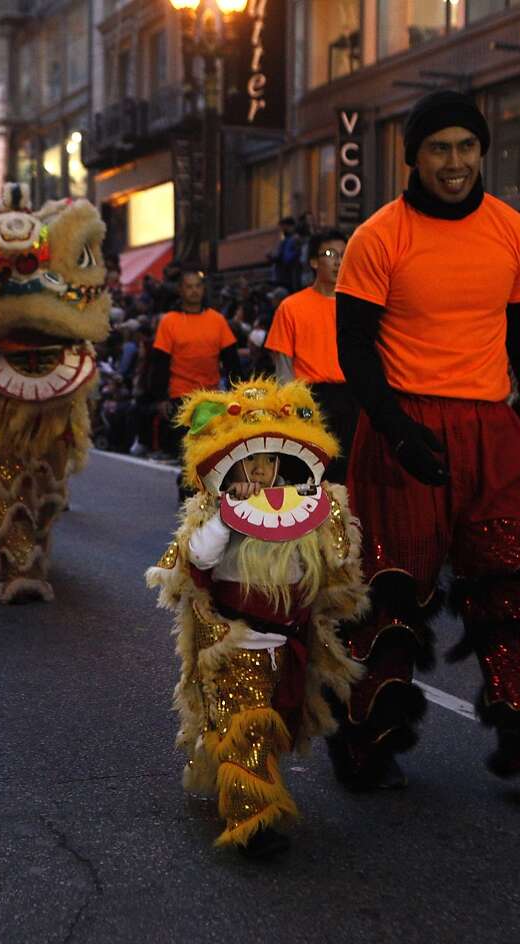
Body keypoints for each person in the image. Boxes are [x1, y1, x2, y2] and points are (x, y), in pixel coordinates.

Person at [331, 91, 520, 803]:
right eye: (438, 149)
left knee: (517, 589)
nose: (454, 163)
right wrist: (396, 429)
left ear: (482, 151)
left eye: (465, 147)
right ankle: (366, 742)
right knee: (390, 596)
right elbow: (355, 350)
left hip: (492, 429)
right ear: (414, 158)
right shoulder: (378, 236)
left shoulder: (513, 233)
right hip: (403, 431)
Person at [146, 379, 367, 859]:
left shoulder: (302, 506)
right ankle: (250, 824)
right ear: (233, 466)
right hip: (237, 638)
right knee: (248, 726)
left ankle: (244, 795)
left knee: (273, 727)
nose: (261, 471)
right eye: (250, 462)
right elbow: (197, 559)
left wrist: (329, 521)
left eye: (268, 461)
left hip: (287, 640)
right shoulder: (215, 511)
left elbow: (327, 565)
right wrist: (228, 515)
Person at [264, 229, 356, 481]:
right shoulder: (291, 307)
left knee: (346, 476)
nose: (338, 261)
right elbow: (283, 367)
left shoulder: (359, 305)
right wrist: (290, 409)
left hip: (352, 397)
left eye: (344, 255)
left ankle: (343, 521)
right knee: (307, 473)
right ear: (314, 262)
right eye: (330, 254)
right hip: (310, 400)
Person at [149, 270, 242, 493]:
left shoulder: (217, 320)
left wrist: (238, 392)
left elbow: (232, 361)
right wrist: (160, 398)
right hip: (181, 396)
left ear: (204, 289)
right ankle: (188, 495)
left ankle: (201, 491)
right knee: (188, 452)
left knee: (210, 451)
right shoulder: (169, 322)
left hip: (211, 397)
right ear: (181, 291)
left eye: (198, 286)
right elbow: (160, 363)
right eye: (189, 286)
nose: (194, 291)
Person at [267, 218, 302, 292]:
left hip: (291, 274)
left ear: (290, 226)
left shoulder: (295, 239)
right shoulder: (285, 241)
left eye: (284, 227)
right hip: (284, 275)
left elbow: (289, 256)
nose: (282, 230)